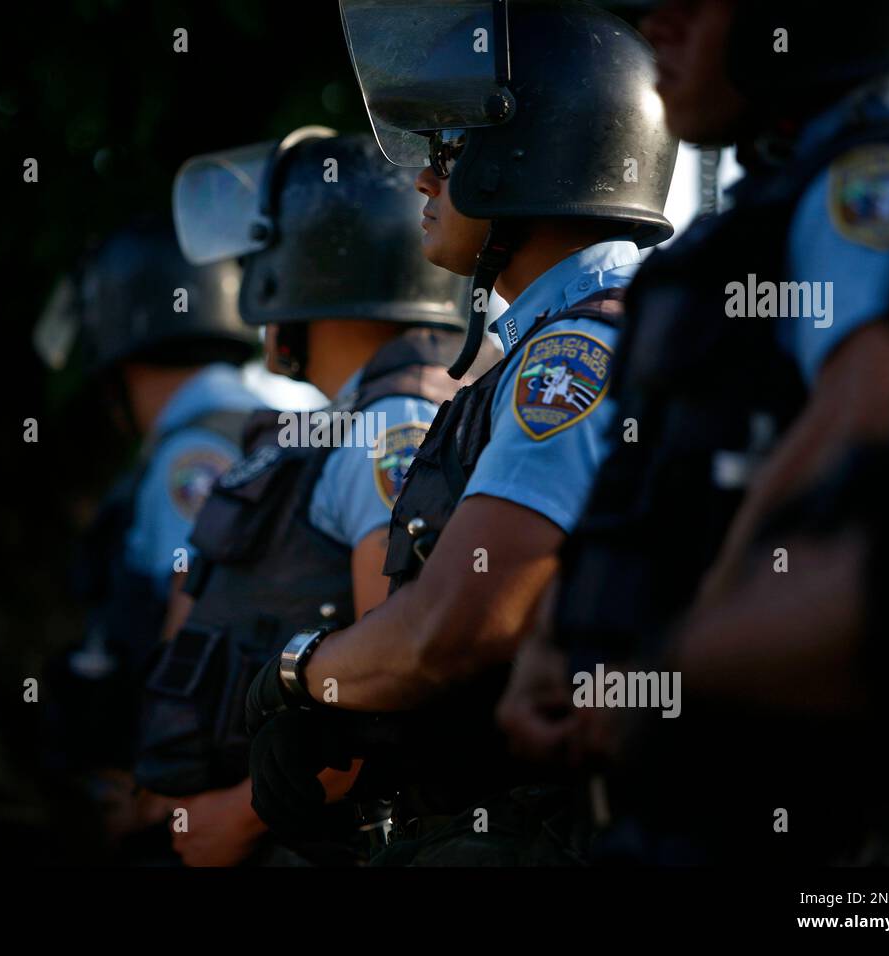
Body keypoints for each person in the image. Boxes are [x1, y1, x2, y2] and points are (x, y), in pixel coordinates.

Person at [496, 0, 889, 863]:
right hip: (668, 774)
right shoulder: (757, 211)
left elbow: (857, 419)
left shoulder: (867, 185)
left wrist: (674, 663)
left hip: (783, 793)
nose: (656, 21)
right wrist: (554, 639)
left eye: (696, 0)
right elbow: (642, 477)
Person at [243, 0, 677, 864]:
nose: (422, 179)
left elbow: (457, 626)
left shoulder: (578, 353)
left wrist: (302, 675)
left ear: (532, 152)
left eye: (448, 147)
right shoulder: (592, 333)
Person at [133, 129, 476, 866]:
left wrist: (241, 815)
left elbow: (395, 677)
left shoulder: (391, 427)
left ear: (309, 267)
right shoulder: (348, 418)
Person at [35, 224, 268, 859]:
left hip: (197, 801)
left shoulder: (190, 452)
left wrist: (158, 776)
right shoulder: (261, 411)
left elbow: (188, 611)